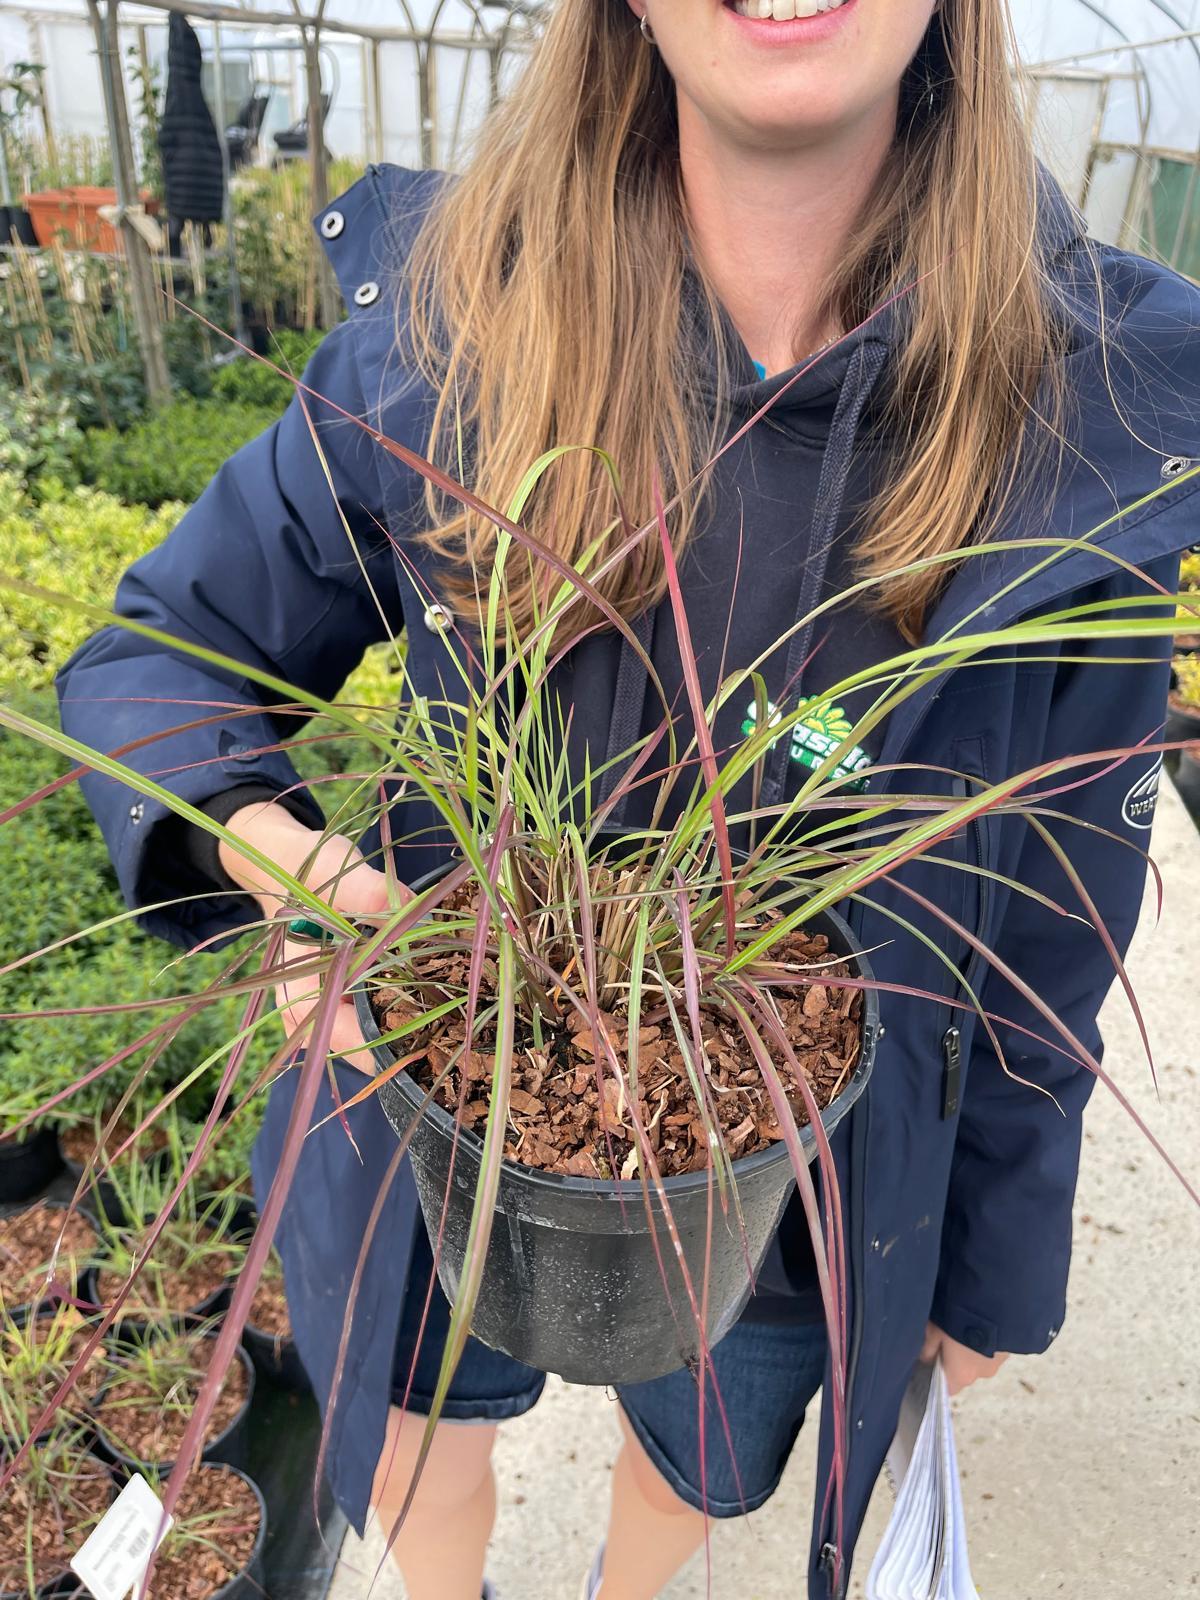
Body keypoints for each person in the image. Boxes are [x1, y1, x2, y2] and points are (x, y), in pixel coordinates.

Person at [58, 2, 1200, 1597]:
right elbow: (159, 653)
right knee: (415, 1428)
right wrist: (282, 868)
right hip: (439, 1088)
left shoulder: (1094, 410)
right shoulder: (455, 325)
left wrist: (997, 1259)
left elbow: (1058, 928)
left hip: (796, 1166)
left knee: (701, 1450)